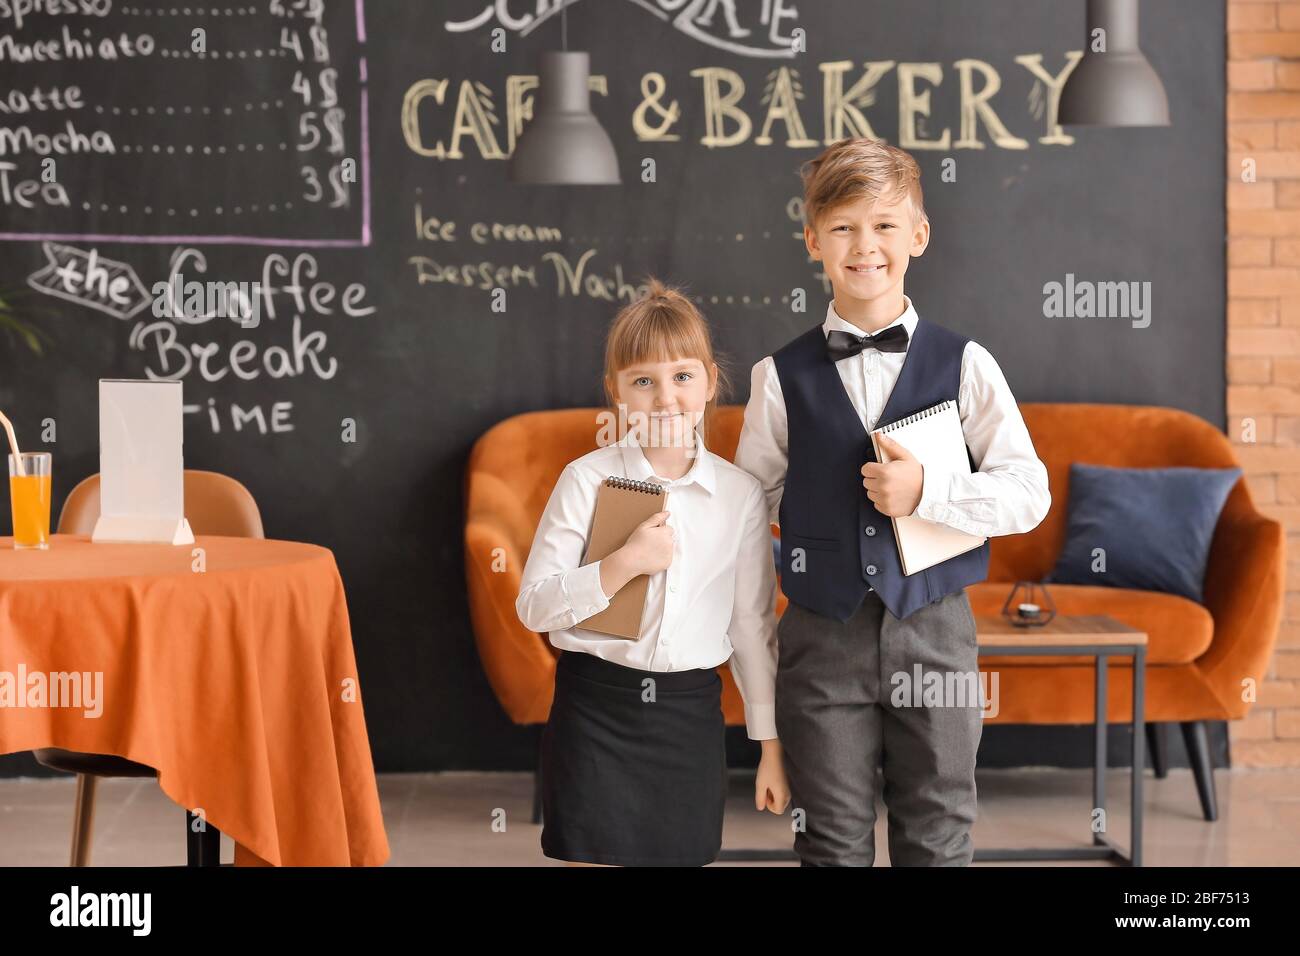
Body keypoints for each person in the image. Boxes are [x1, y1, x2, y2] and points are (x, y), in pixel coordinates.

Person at [735, 138, 1051, 866]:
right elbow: (752, 517)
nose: (864, 246)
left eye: (883, 225)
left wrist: (929, 493)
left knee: (938, 836)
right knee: (832, 842)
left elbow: (1028, 490)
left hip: (936, 634)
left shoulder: (968, 364)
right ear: (813, 239)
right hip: (821, 641)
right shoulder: (777, 378)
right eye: (843, 227)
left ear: (919, 234)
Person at [516, 278, 788, 866]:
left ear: (711, 381)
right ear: (617, 392)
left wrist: (769, 745)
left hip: (687, 716)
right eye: (643, 381)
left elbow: (751, 626)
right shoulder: (585, 479)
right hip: (594, 705)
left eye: (682, 376)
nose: (666, 398)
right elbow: (534, 605)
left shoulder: (739, 495)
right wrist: (620, 566)